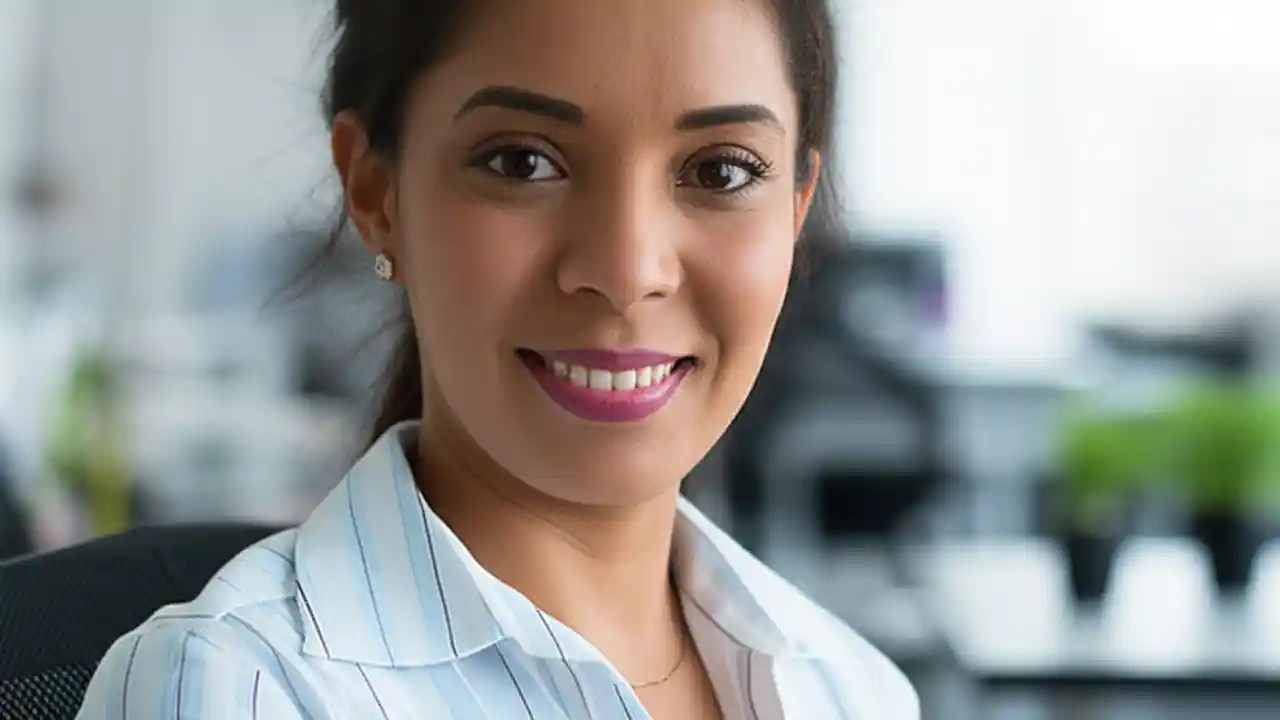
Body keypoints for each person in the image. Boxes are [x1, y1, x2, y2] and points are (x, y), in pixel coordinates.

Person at [77, 0, 918, 717]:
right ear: (376, 193)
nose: (626, 270)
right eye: (523, 161)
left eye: (721, 170)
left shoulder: (852, 691)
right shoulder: (232, 689)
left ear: (796, 210)